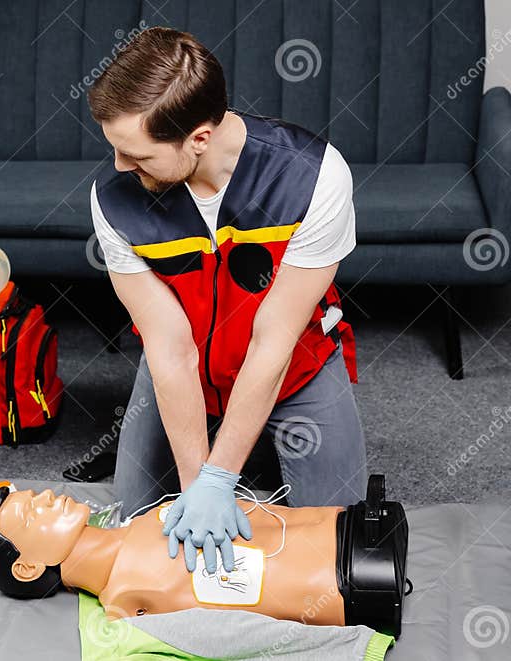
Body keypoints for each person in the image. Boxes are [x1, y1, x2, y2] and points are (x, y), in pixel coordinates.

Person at [86, 27, 367, 572]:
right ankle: (229, 451)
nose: (119, 167)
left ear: (198, 138)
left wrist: (220, 478)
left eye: (136, 154)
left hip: (294, 365)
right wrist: (197, 487)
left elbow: (273, 341)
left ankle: (246, 451)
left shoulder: (313, 176)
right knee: (140, 527)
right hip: (183, 367)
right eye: (114, 148)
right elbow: (169, 349)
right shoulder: (113, 197)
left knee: (338, 545)